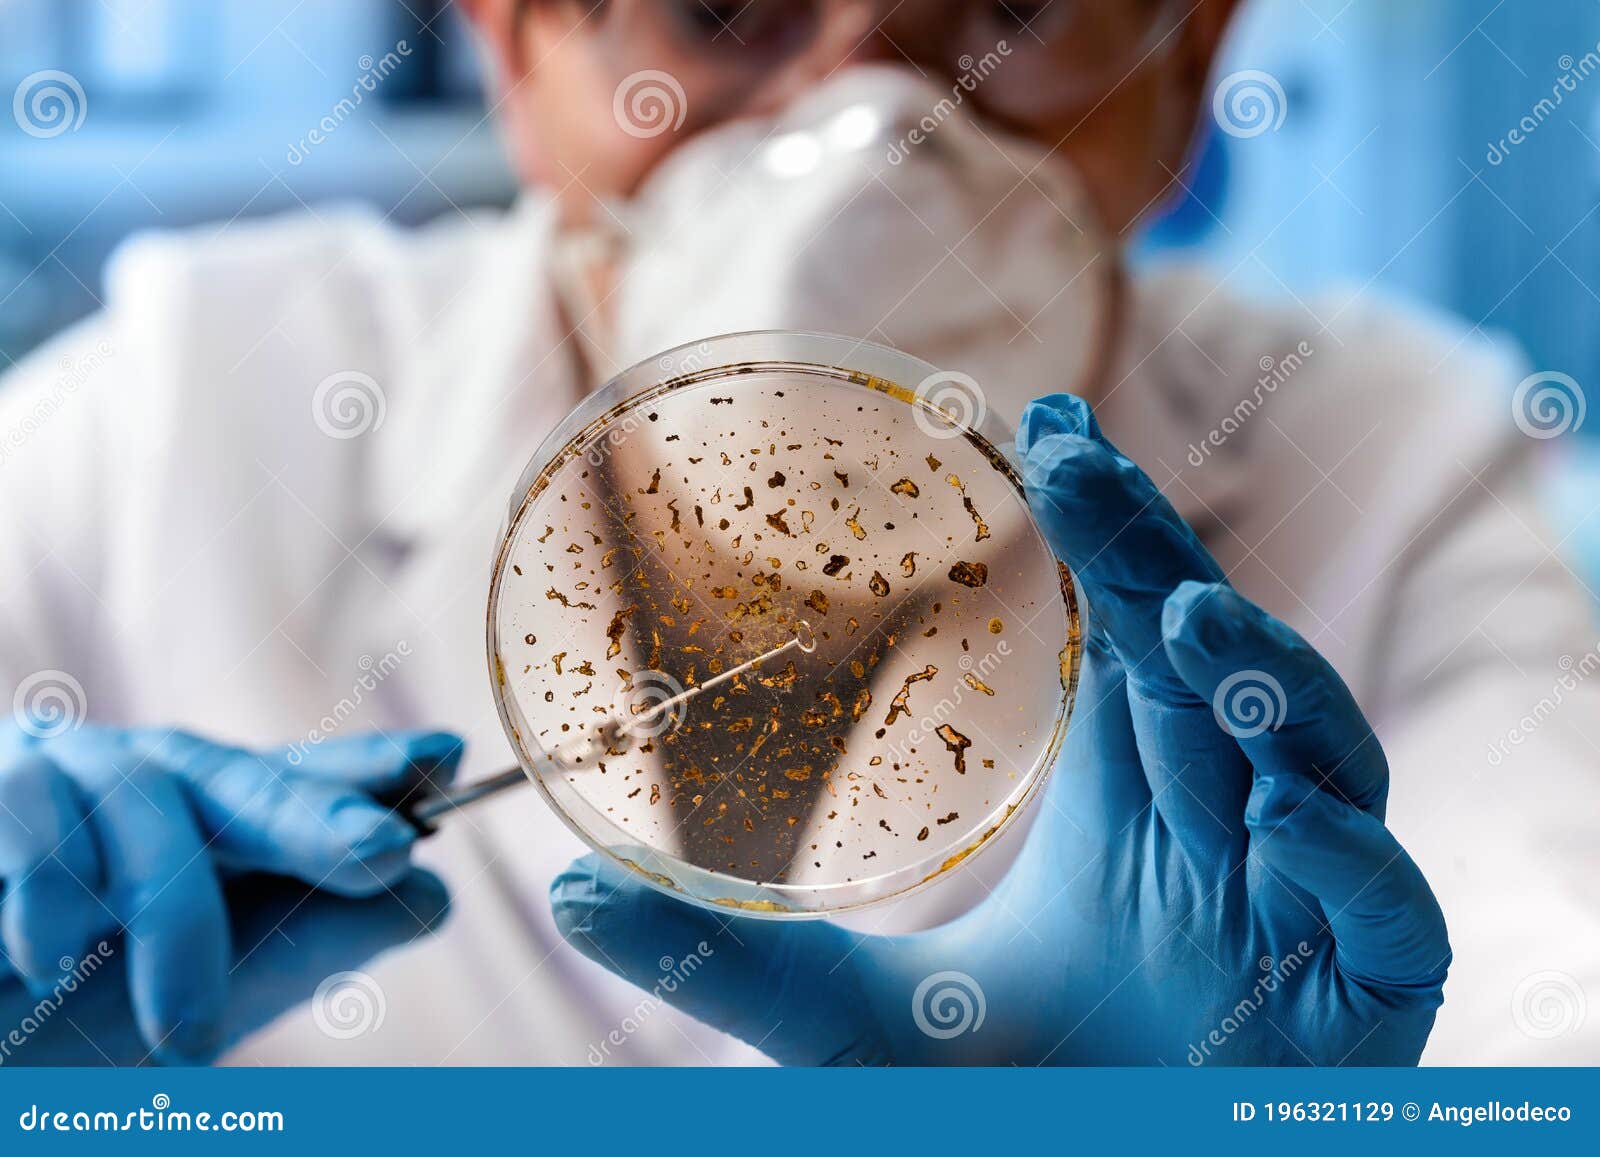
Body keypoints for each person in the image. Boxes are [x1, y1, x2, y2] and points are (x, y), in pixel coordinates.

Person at [0, 0, 1596, 1066]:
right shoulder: (172, 415)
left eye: (1009, 9)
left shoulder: (1390, 457)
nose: (872, 142)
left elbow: (1554, 999)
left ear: (1188, 63)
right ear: (512, 48)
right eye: (719, 3)